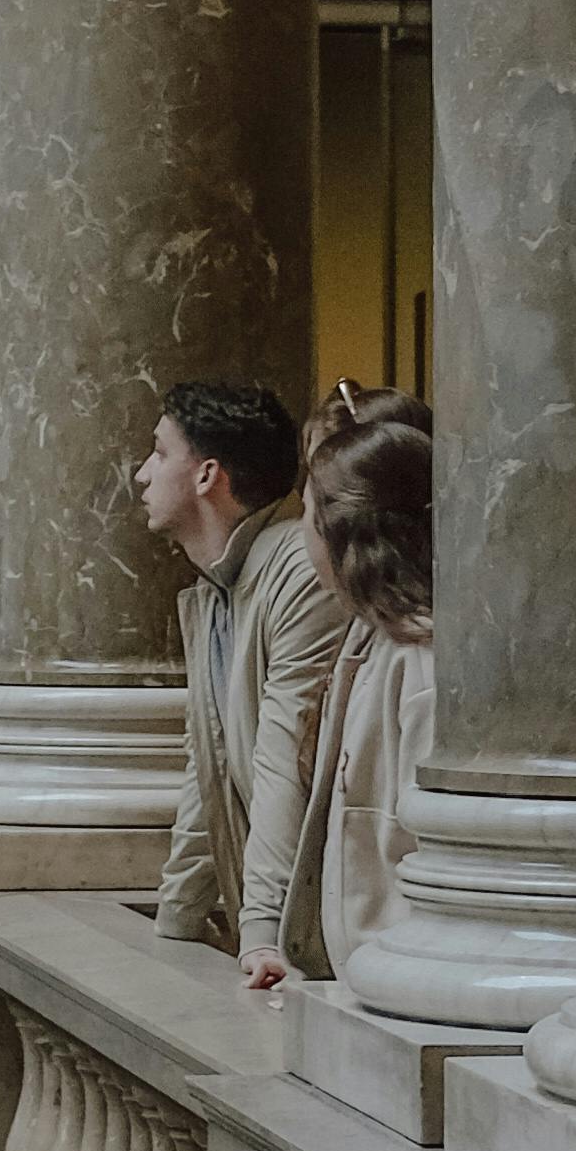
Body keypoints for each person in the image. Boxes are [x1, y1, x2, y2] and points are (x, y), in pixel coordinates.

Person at [144, 377, 345, 975]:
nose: (140, 474)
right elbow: (206, 772)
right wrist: (176, 921)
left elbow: (286, 757)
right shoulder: (214, 590)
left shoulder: (296, 569)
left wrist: (261, 932)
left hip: (328, 926)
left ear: (208, 475)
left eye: (158, 453)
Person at [272, 402, 435, 997]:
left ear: (341, 531)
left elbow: (424, 852)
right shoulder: (369, 638)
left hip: (397, 987)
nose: (301, 533)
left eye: (309, 515)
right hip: (360, 982)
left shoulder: (422, 666)